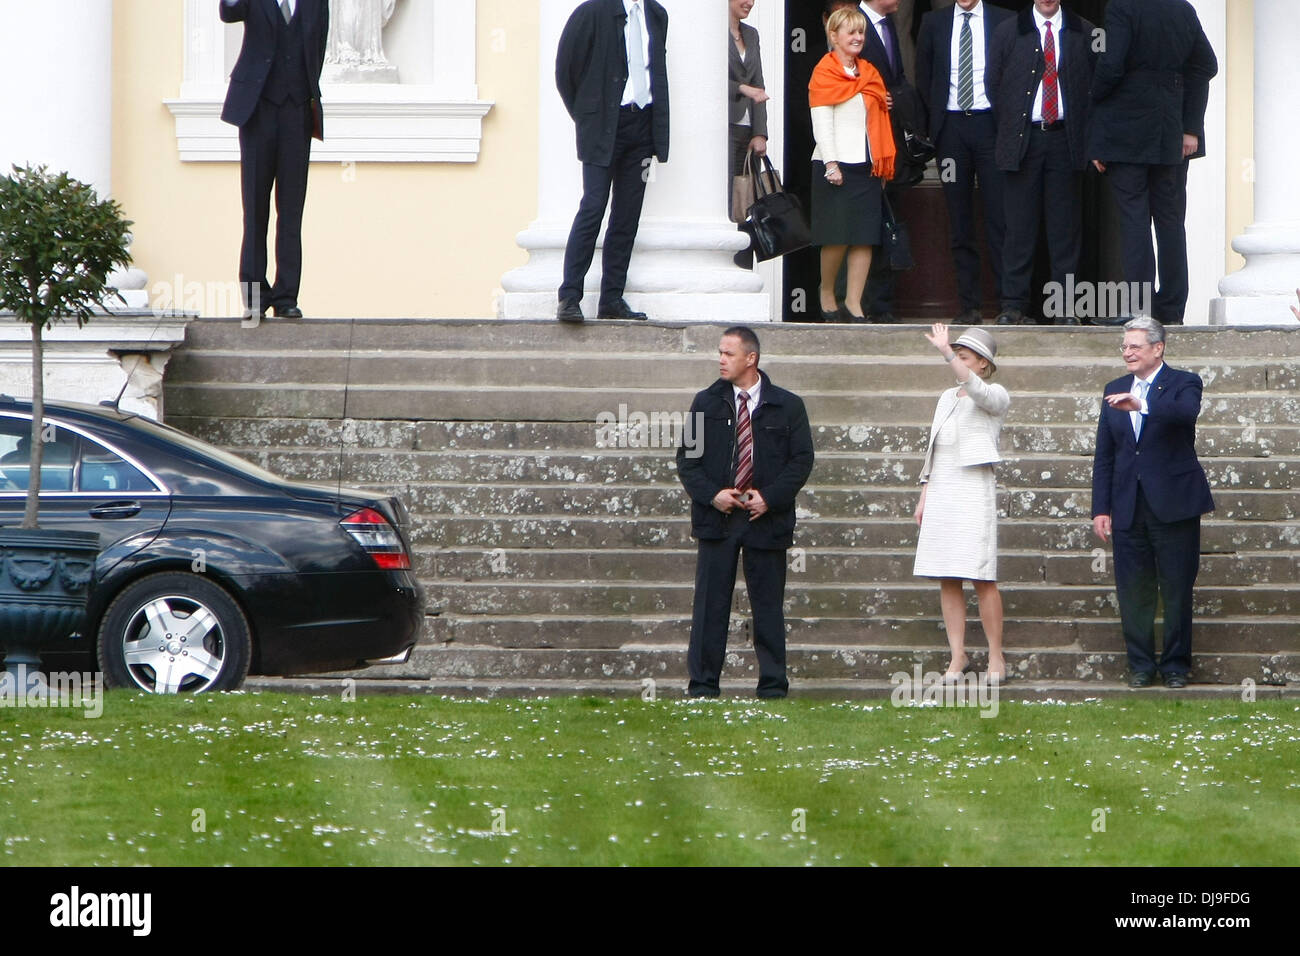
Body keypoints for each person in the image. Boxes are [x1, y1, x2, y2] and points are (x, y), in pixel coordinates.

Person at [676, 326, 815, 698]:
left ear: (750, 358)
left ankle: (772, 686)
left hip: (765, 519)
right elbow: (688, 461)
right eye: (719, 353)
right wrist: (712, 496)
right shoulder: (706, 402)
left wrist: (769, 497)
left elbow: (801, 461)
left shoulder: (788, 405)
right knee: (710, 605)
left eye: (728, 354)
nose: (721, 360)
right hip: (717, 520)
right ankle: (703, 686)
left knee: (768, 604)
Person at [1091, 318, 1214, 689]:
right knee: (1134, 588)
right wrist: (1101, 507)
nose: (1127, 352)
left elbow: (1185, 414)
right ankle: (1141, 665)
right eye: (1124, 346)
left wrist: (1142, 404)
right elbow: (1105, 454)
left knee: (1176, 588)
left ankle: (1176, 666)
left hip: (1174, 504)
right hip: (1128, 505)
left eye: (1135, 346)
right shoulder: (1114, 388)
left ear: (1157, 348)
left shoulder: (1183, 383)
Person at [1089, 0, 1218, 326]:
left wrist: (1091, 98)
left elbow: (1112, 66)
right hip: (1169, 130)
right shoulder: (1183, 9)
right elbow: (1206, 65)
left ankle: (1139, 309)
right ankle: (1172, 310)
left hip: (1127, 130)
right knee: (1171, 221)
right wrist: (1190, 125)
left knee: (1134, 219)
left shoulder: (1122, 8)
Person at [555, 0, 670, 325]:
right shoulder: (592, 11)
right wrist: (588, 115)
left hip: (642, 127)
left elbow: (655, 72)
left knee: (627, 216)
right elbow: (566, 72)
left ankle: (611, 299)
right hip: (603, 126)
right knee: (593, 207)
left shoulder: (656, 14)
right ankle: (569, 296)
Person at [987, 0, 1096, 327]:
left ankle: (1064, 308)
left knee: (1065, 229)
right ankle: (1013, 305)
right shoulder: (1008, 31)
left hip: (1066, 140)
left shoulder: (1085, 31)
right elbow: (994, 85)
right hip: (1024, 140)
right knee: (1018, 228)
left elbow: (1095, 87)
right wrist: (1012, 128)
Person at [220, 0, 330, 322]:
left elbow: (318, 46)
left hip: (297, 112)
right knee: (255, 209)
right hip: (257, 110)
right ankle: (255, 297)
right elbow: (229, 12)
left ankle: (286, 297)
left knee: (291, 210)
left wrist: (303, 93)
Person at [913, 324, 1010, 682]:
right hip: (943, 488)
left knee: (981, 577)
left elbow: (976, 389)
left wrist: (947, 353)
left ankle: (996, 656)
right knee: (947, 575)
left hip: (973, 487)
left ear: (982, 364)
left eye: (965, 357)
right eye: (957, 356)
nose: (957, 363)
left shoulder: (995, 394)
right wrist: (925, 494)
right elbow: (934, 450)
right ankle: (958, 657)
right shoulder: (945, 398)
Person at [915, 0, 1013, 326]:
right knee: (959, 220)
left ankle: (1007, 304)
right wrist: (934, 126)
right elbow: (924, 76)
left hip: (991, 128)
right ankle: (969, 305)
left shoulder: (1005, 20)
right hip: (952, 130)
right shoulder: (933, 23)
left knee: (1001, 218)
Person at [810, 7, 896, 323]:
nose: (858, 37)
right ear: (834, 36)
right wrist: (831, 163)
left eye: (861, 32)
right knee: (836, 236)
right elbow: (822, 122)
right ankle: (827, 292)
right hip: (836, 165)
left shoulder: (869, 72)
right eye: (851, 32)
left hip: (867, 165)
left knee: (864, 236)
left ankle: (854, 303)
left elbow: (878, 109)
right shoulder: (824, 72)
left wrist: (884, 102)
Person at [859, 0, 907, 324]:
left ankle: (881, 302)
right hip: (860, 145)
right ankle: (858, 302)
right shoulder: (853, 22)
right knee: (864, 226)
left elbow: (898, 81)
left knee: (888, 221)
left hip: (888, 146)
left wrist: (896, 97)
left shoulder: (890, 26)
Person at [729, 0, 769, 269]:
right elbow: (706, 76)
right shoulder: (709, 32)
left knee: (747, 204)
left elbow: (760, 84)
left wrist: (760, 133)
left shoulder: (751, 34)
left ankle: (744, 269)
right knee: (727, 202)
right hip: (724, 131)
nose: (750, 2)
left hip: (747, 133)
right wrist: (742, 89)